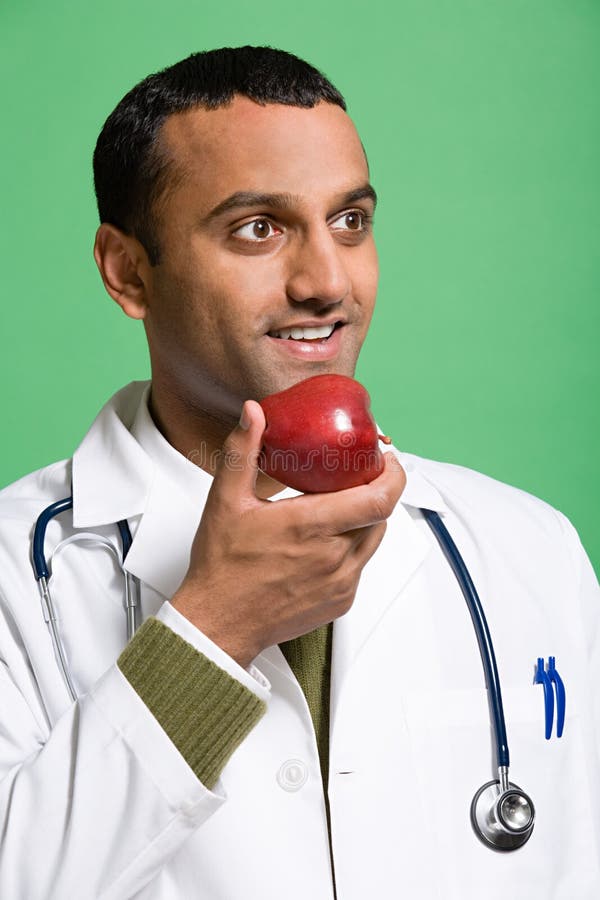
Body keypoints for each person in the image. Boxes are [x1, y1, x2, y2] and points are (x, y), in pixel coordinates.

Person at [0, 45, 598, 900]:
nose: (327, 281)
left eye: (350, 221)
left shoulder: (526, 550)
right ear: (129, 272)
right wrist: (212, 630)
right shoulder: (13, 581)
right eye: (259, 229)